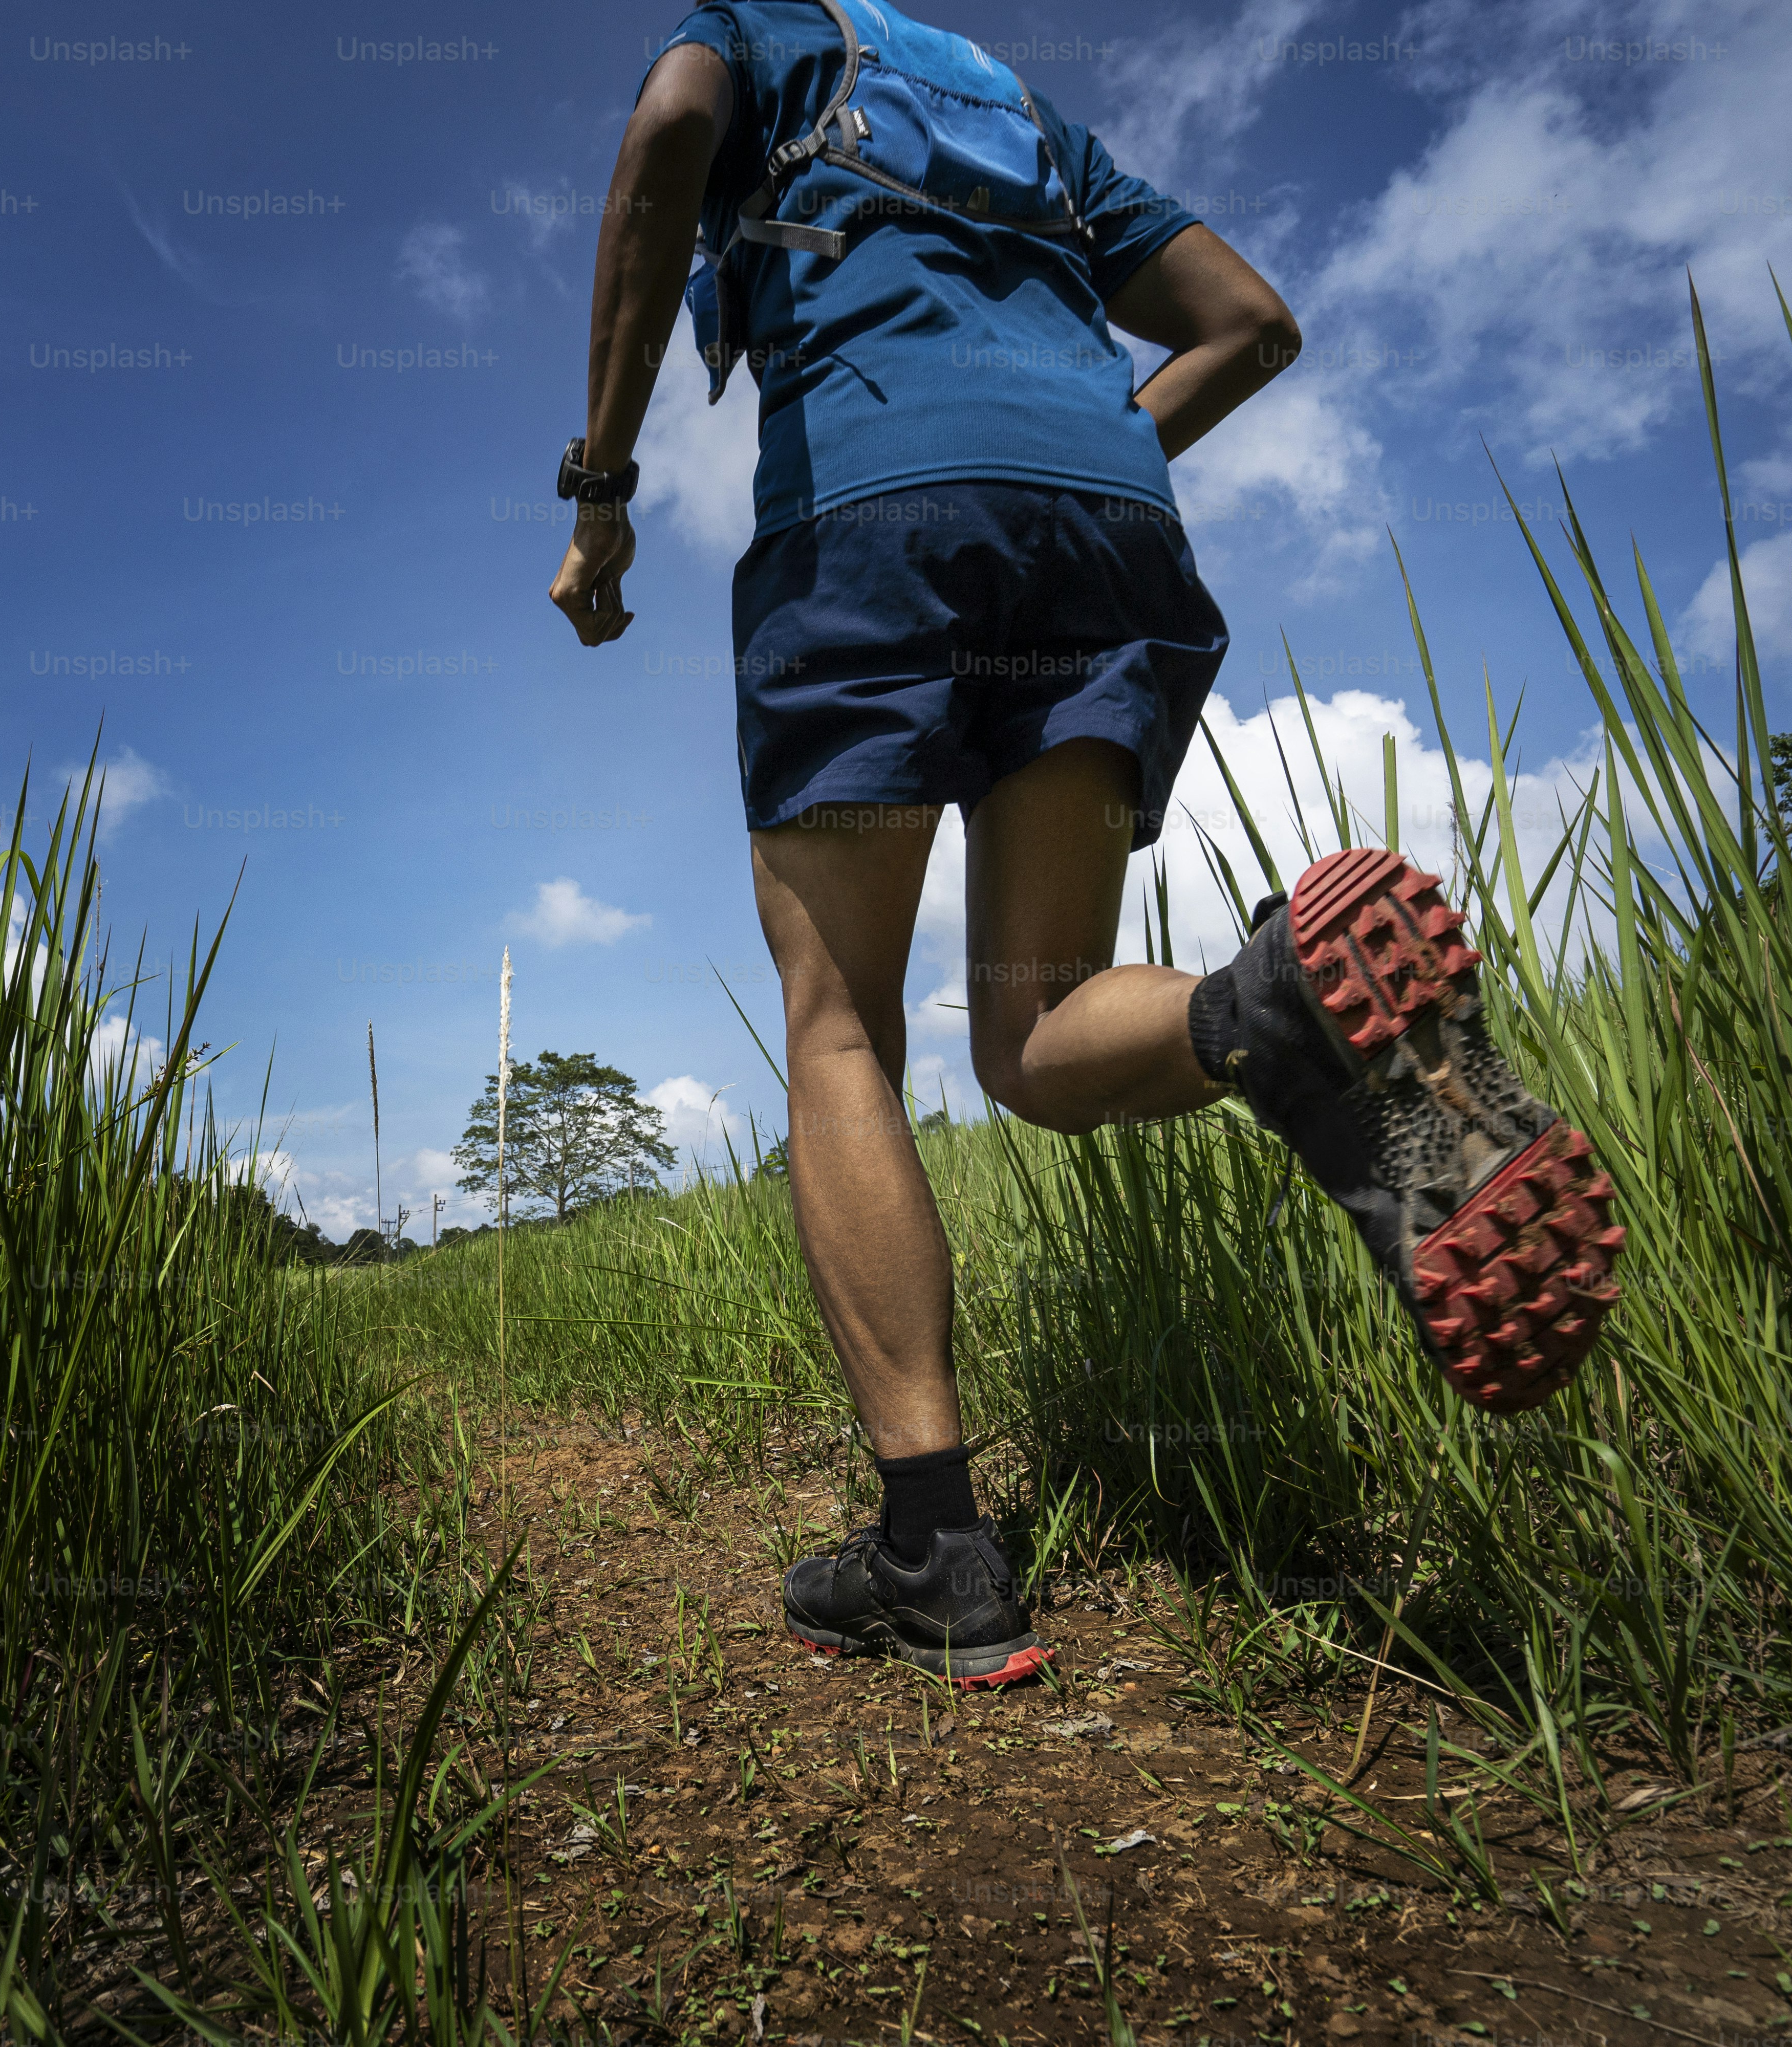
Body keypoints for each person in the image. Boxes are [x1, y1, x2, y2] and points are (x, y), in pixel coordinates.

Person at [546, 0, 1626, 1687]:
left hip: (874, 536)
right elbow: (1251, 325)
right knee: (1036, 1040)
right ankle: (1266, 1009)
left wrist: (600, 488)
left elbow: (669, 133)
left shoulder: (759, 33)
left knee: (842, 1026)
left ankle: (937, 1549)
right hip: (1105, 544)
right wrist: (1101, 452)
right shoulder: (1020, 114)